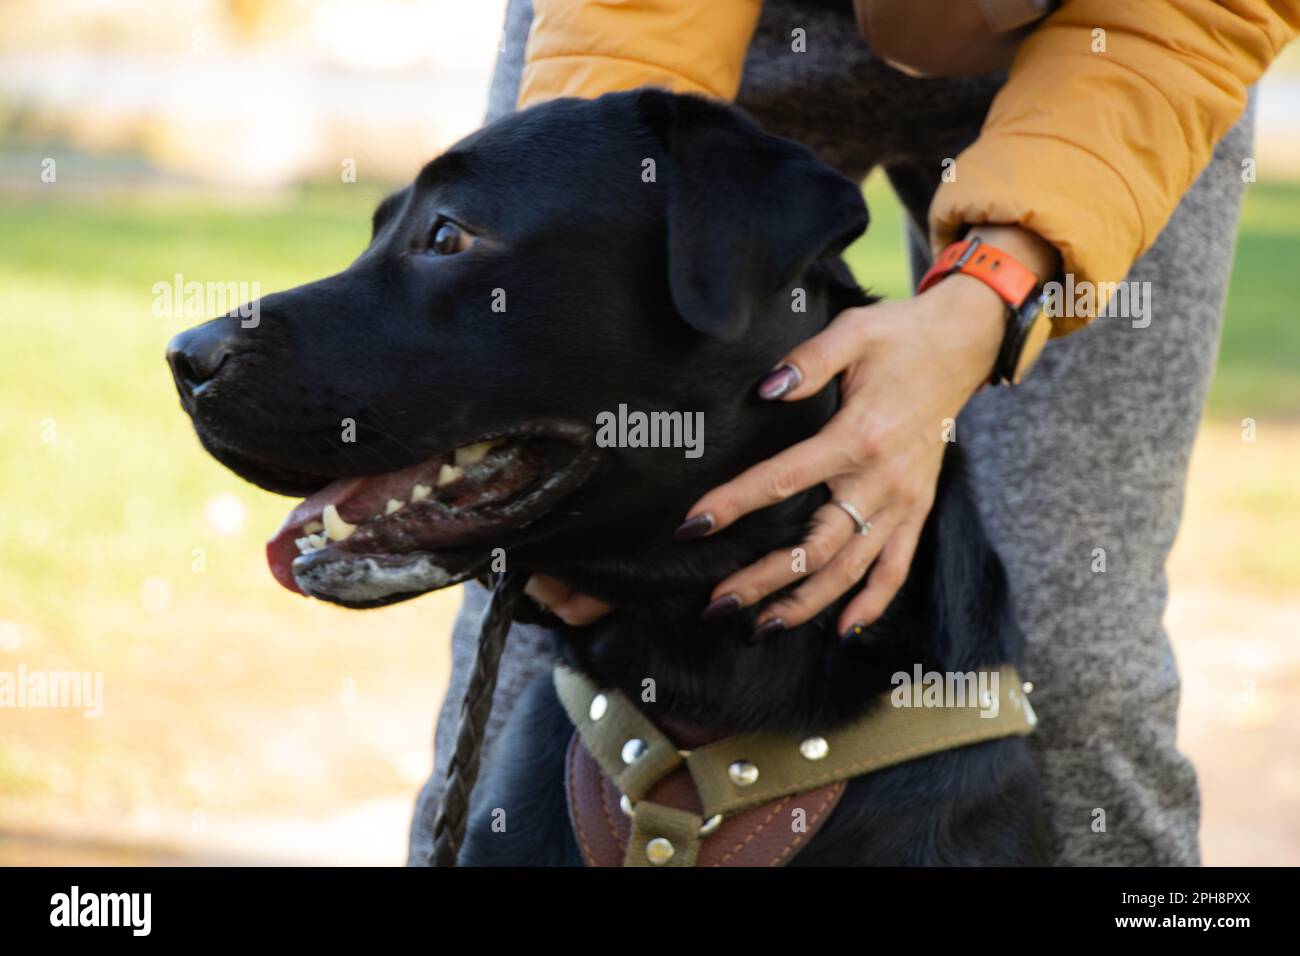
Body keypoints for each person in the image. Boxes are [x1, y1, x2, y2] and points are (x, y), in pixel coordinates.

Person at [411, 0, 1299, 866]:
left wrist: (990, 289)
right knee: (543, 620)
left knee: (1076, 660)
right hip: (707, 27)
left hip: (1112, 44)